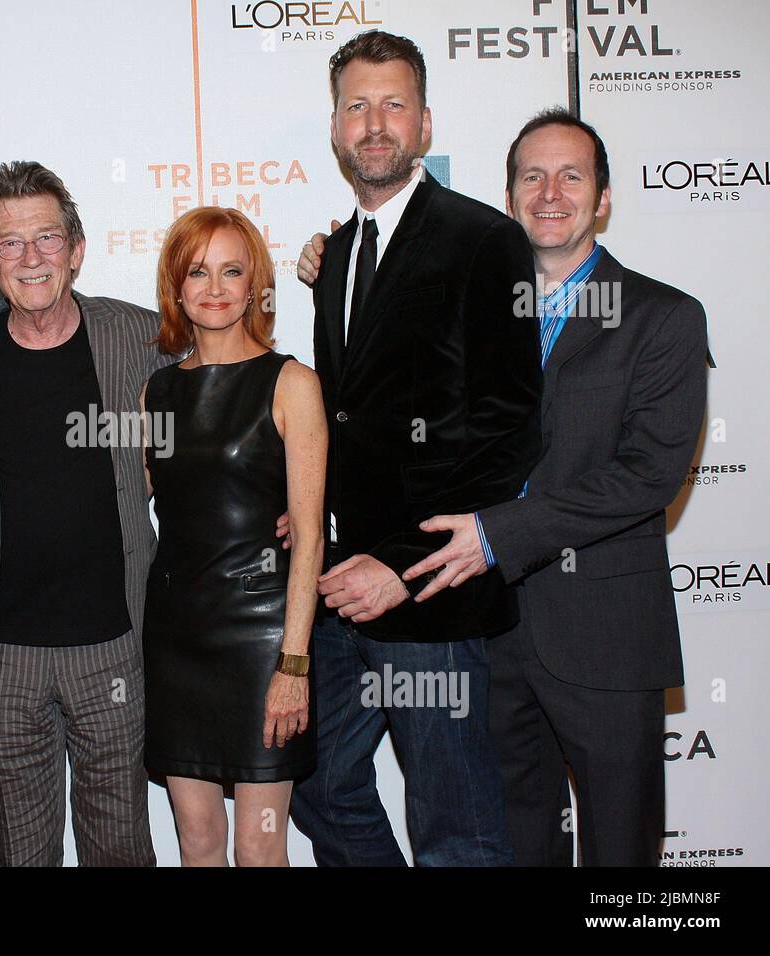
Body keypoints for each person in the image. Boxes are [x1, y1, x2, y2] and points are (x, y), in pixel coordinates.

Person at [395, 111, 707, 866]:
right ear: (509, 197)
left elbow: (649, 475)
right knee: (516, 841)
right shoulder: (470, 319)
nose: (550, 192)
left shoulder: (663, 317)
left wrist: (501, 533)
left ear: (602, 198)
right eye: (532, 176)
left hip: (607, 635)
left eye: (572, 175)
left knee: (621, 854)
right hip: (490, 628)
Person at [285, 30, 542, 866]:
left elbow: (509, 431)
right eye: (357, 105)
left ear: (425, 124)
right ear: (334, 127)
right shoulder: (335, 257)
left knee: (454, 829)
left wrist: (398, 563)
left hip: (432, 595)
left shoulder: (485, 240)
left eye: (394, 104)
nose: (375, 123)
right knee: (319, 790)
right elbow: (350, 414)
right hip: (338, 587)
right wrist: (311, 514)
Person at [0, 161, 165, 866]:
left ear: (78, 249)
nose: (32, 258)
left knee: (120, 850)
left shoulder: (142, 339)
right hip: (2, 654)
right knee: (19, 855)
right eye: (10, 244)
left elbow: (227, 408)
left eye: (48, 239)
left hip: (114, 641)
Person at [141, 207, 326, 867]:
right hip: (176, 641)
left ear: (255, 285)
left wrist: (294, 665)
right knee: (198, 843)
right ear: (176, 285)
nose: (214, 287)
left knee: (259, 845)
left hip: (262, 640)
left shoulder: (292, 383)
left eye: (231, 270)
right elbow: (153, 506)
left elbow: (309, 538)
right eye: (198, 270)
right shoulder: (156, 392)